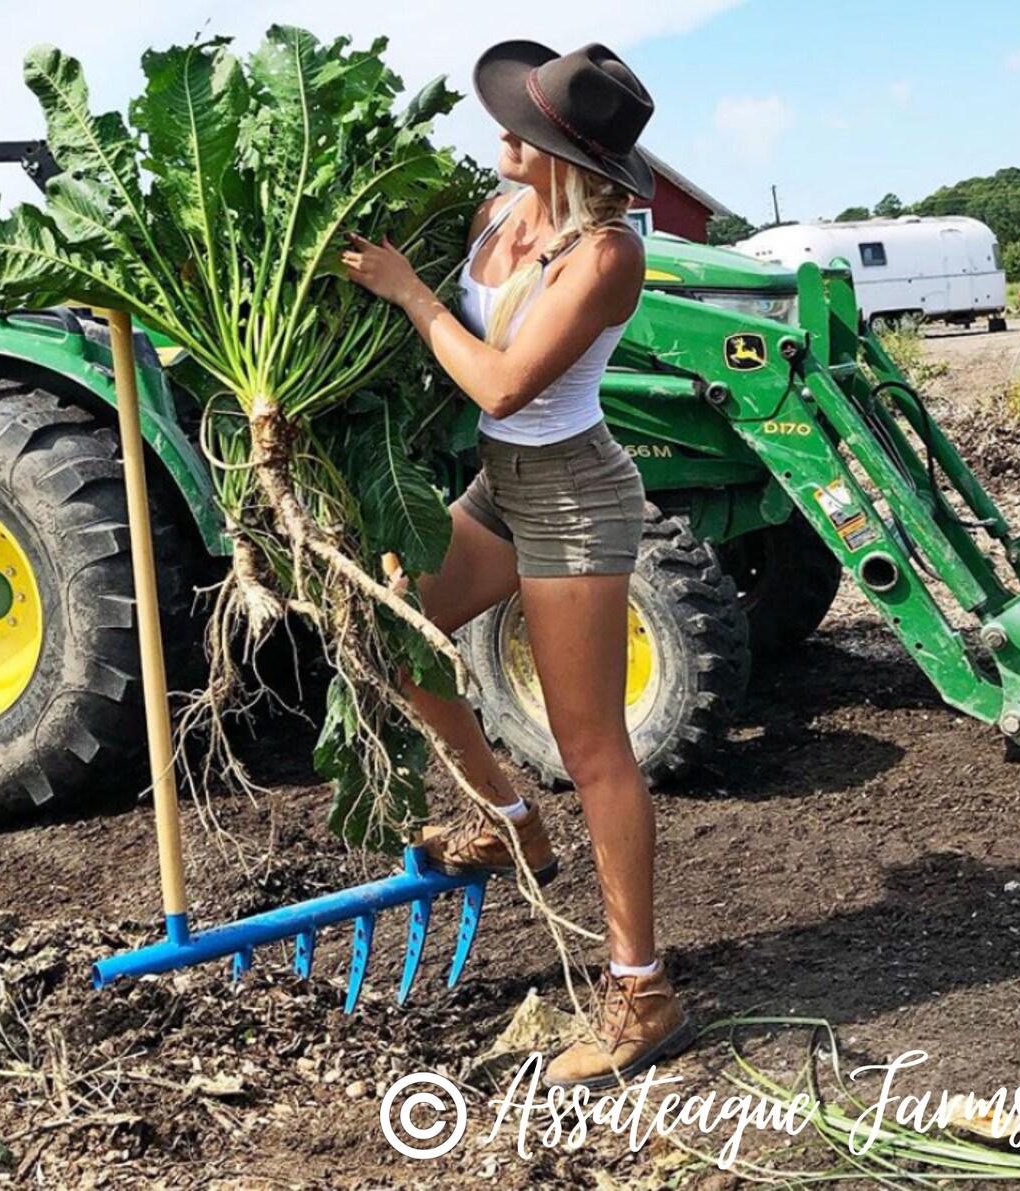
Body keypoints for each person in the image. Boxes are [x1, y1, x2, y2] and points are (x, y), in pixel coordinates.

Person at [341, 40, 690, 1090]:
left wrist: (411, 296)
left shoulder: (607, 257)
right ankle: (508, 823)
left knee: (592, 747)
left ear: (565, 154)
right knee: (394, 633)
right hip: (504, 483)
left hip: (575, 499)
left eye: (522, 125)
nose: (500, 132)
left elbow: (500, 384)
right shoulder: (497, 214)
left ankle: (641, 991)